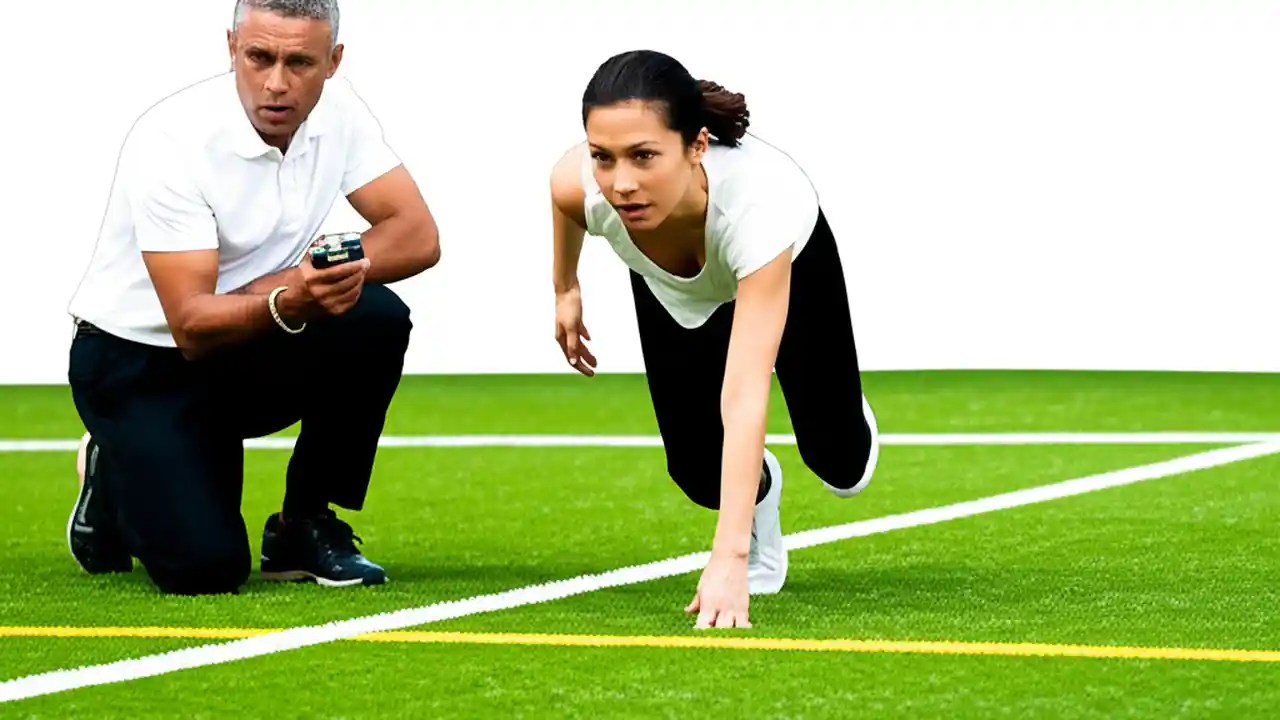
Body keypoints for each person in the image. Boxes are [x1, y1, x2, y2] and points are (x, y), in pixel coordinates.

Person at [64, 0, 440, 595]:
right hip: (137, 362)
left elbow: (417, 236)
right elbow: (189, 322)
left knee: (374, 316)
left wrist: (304, 279)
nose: (277, 83)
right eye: (259, 57)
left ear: (333, 62)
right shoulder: (172, 140)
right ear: (231, 47)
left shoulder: (338, 114)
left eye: (300, 63)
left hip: (240, 346)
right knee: (206, 571)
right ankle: (114, 469)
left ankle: (301, 526)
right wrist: (290, 292)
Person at [549, 50, 880, 629]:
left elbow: (744, 392)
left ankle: (842, 413)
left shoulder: (759, 206)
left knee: (842, 464)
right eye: (603, 157)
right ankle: (763, 490)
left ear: (697, 146)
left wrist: (728, 559)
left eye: (644, 156)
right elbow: (565, 204)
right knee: (699, 473)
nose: (621, 183)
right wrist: (565, 288)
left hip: (787, 261)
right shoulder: (583, 185)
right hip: (678, 286)